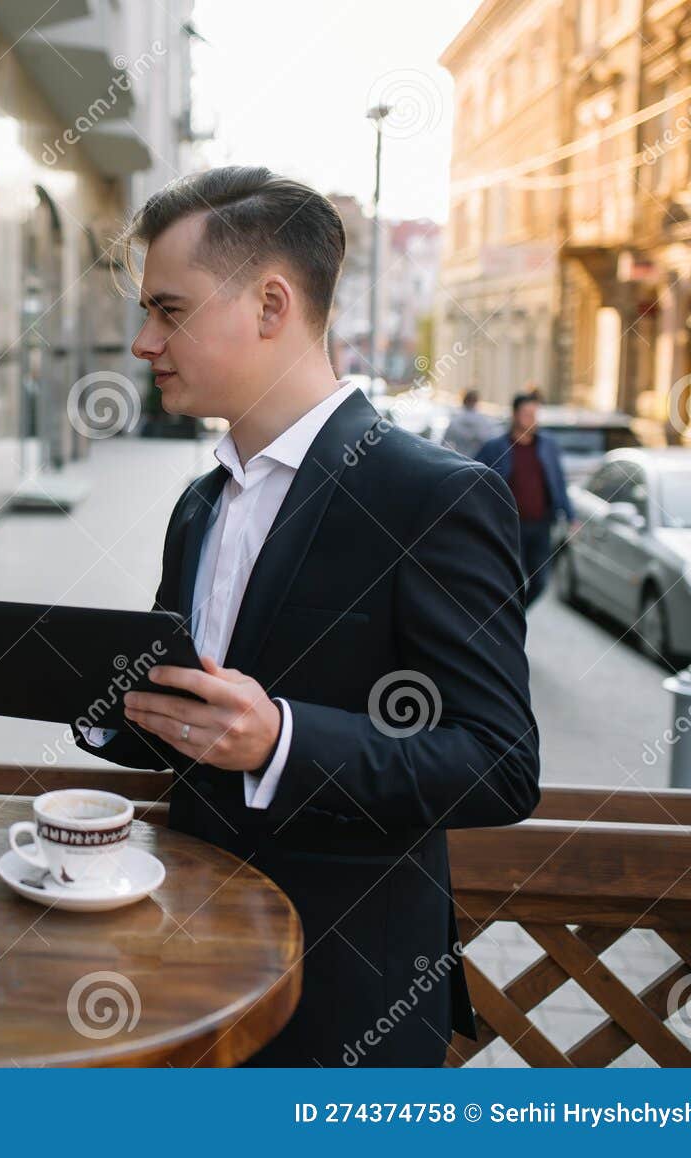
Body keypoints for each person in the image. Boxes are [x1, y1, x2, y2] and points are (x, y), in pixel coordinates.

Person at [73, 166, 540, 1066]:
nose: (142, 342)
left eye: (168, 310)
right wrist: (99, 696)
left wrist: (283, 739)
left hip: (347, 995)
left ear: (271, 304)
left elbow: (500, 763)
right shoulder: (201, 502)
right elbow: (198, 720)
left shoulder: (434, 496)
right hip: (189, 970)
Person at [474, 392, 571, 606]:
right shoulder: (496, 447)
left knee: (541, 581)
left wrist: (570, 515)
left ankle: (515, 615)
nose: (532, 419)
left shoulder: (547, 446)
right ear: (515, 415)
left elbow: (558, 481)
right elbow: (476, 479)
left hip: (541, 524)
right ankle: (503, 618)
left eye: (535, 414)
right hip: (509, 526)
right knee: (508, 579)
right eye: (527, 414)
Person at [441, 388, 500, 460]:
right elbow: (489, 439)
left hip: (459, 460)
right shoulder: (483, 421)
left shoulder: (455, 420)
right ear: (476, 401)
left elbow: (444, 442)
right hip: (477, 462)